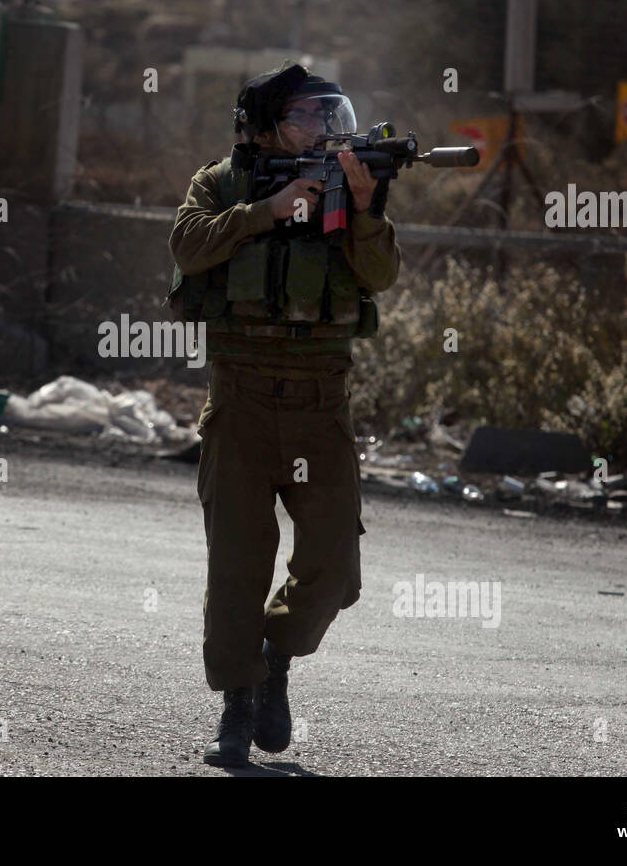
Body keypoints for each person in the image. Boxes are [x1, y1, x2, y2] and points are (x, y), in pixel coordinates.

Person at [167, 64, 403, 767]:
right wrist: (267, 211)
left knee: (335, 569)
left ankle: (276, 655)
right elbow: (187, 246)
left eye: (330, 113)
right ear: (265, 126)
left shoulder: (347, 187)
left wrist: (365, 209)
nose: (324, 127)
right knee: (237, 567)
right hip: (239, 401)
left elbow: (381, 275)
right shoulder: (219, 184)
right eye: (306, 115)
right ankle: (238, 706)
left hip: (320, 405)